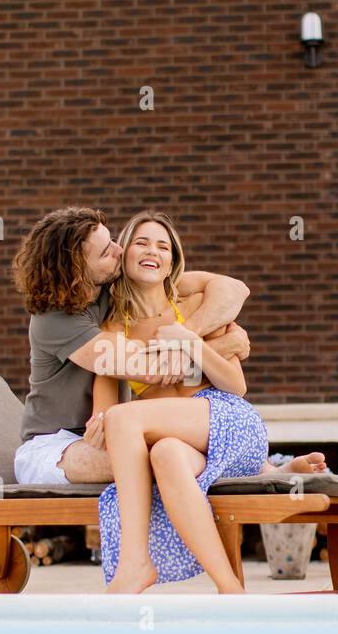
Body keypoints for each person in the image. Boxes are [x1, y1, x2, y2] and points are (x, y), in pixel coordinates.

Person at [89, 210, 325, 594]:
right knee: (163, 452)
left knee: (126, 420)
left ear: (171, 263)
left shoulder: (194, 306)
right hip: (188, 444)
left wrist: (190, 341)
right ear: (125, 254)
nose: (153, 252)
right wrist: (98, 426)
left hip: (230, 418)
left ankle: (134, 563)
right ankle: (230, 588)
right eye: (142, 243)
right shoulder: (114, 330)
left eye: (163, 246)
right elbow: (103, 414)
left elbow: (236, 384)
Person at [11, 207, 252, 487]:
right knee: (154, 459)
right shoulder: (55, 319)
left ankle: (261, 465)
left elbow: (233, 289)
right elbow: (149, 369)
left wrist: (187, 334)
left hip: (115, 429)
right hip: (56, 445)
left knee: (168, 453)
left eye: (113, 241)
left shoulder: (114, 292)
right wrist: (224, 345)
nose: (118, 250)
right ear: (77, 269)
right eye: (105, 252)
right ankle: (264, 468)